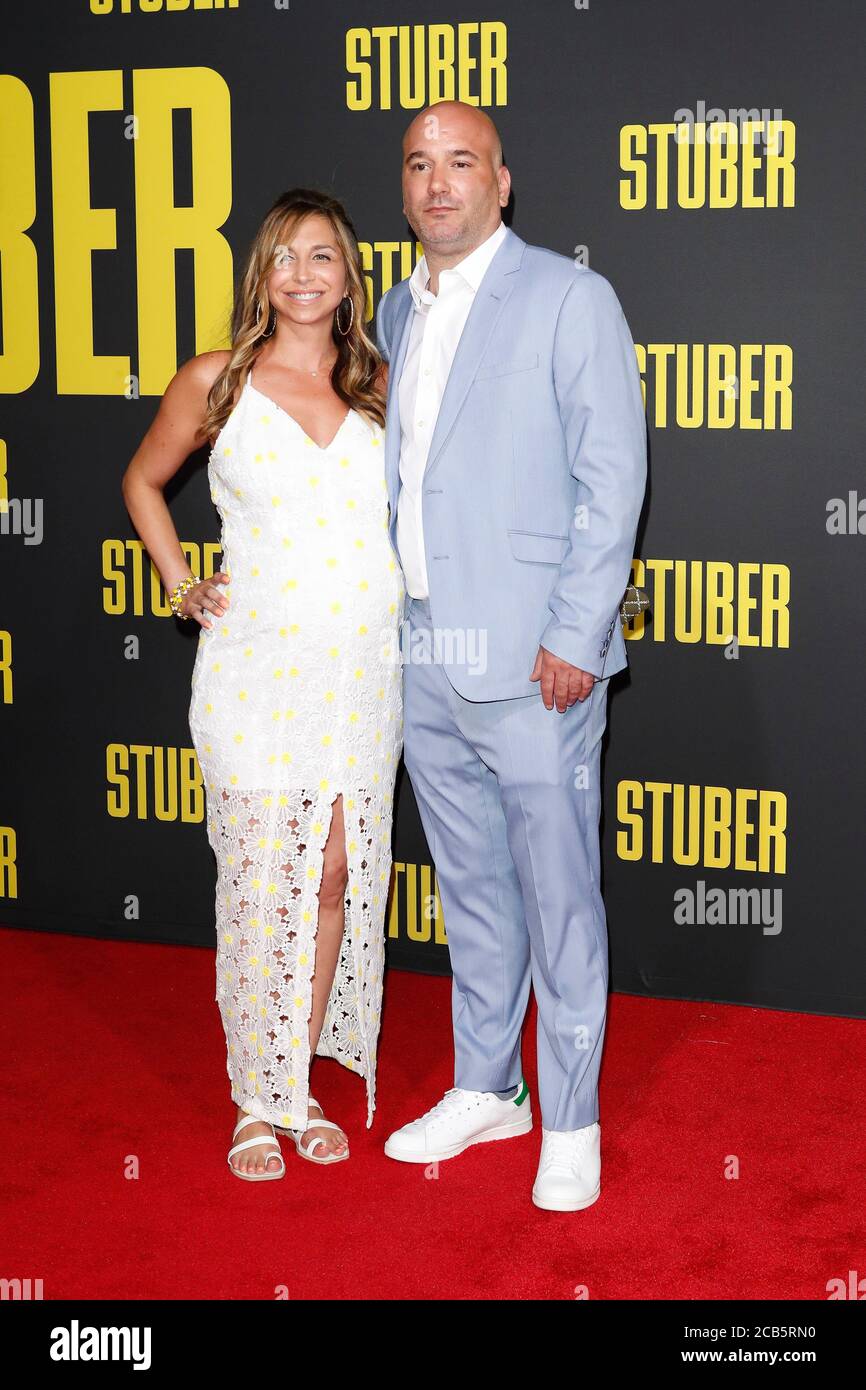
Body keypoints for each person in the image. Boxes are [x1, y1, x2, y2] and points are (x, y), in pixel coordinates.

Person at [376, 102, 647, 1210]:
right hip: (425, 646)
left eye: (460, 164)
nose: (437, 184)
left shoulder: (569, 297)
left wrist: (573, 634)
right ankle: (488, 1085)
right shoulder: (394, 306)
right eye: (417, 166)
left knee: (557, 890)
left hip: (535, 659)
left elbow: (611, 478)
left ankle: (570, 1114)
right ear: (402, 188)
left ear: (502, 181)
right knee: (470, 886)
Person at [122, 190, 403, 1181]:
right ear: (262, 276)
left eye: (321, 257)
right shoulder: (216, 381)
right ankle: (256, 1101)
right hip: (255, 674)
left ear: (346, 276)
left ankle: (299, 1083)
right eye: (283, 257)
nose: (301, 275)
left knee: (331, 877)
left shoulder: (378, 384)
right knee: (258, 887)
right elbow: (142, 481)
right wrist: (178, 582)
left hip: (364, 672)